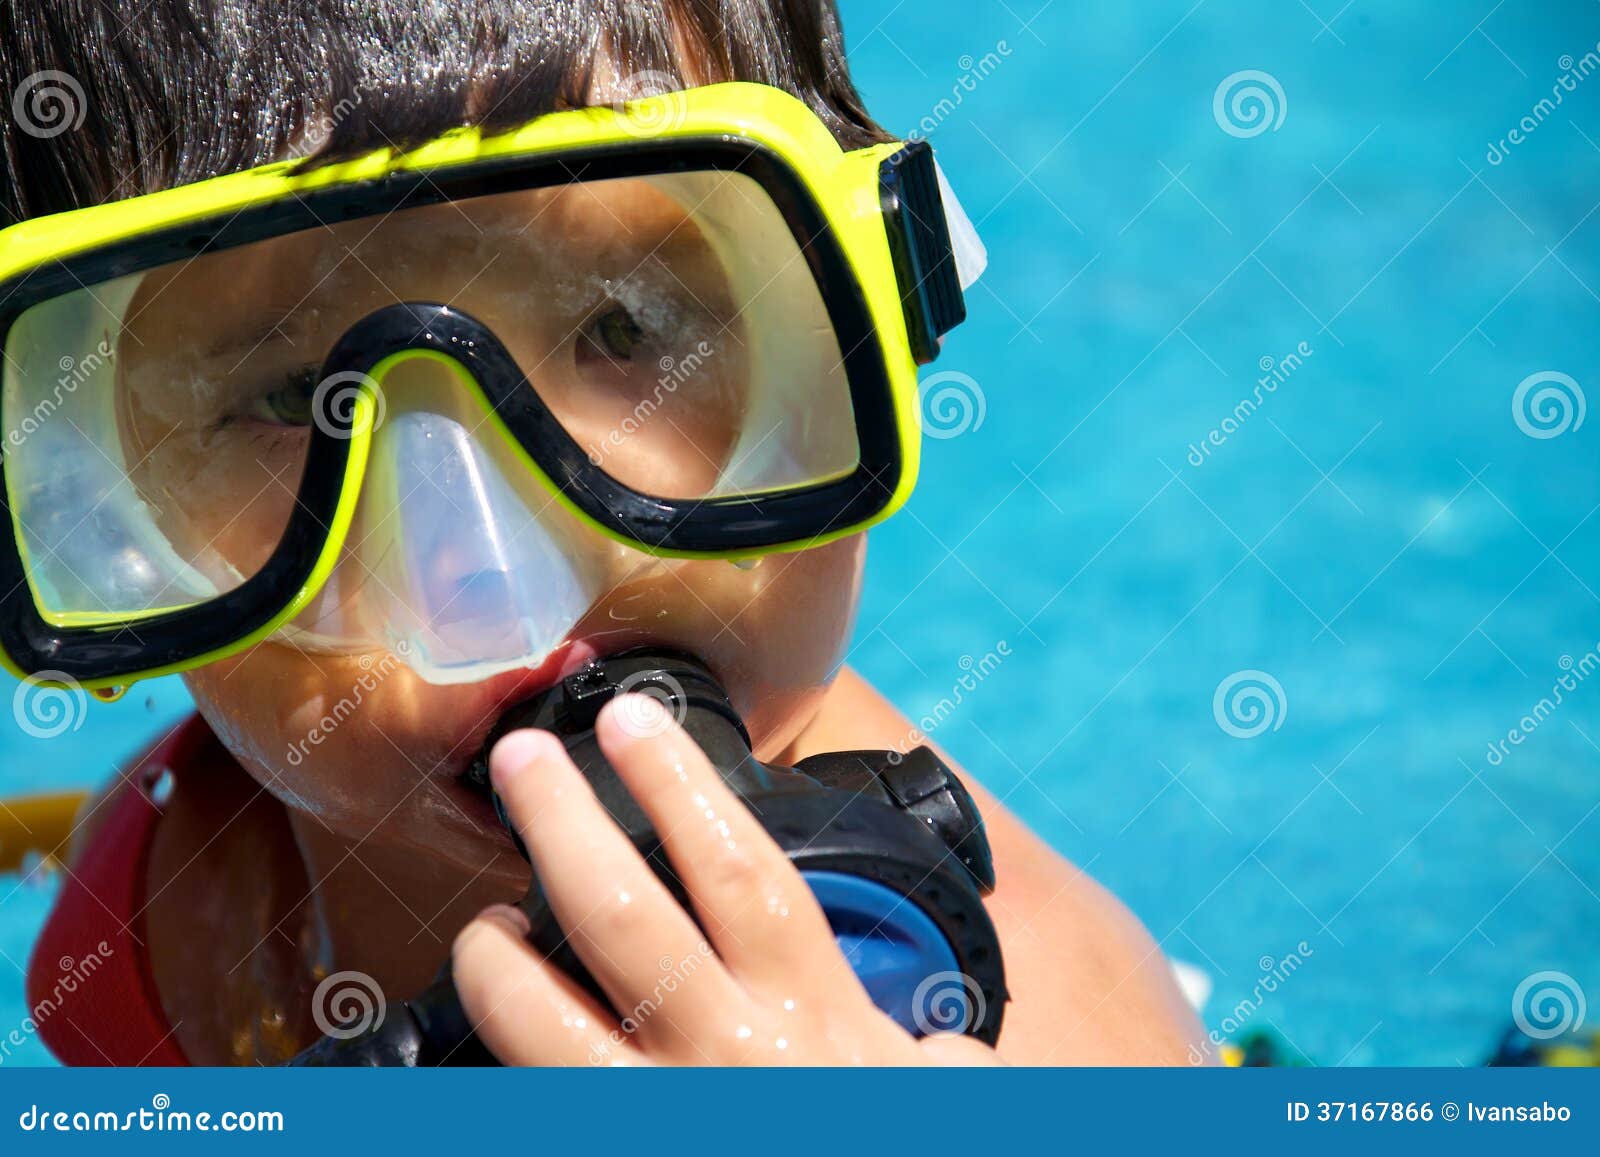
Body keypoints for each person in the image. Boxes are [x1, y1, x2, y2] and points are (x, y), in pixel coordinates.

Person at [2, 0, 1202, 1065]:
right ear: (80, 501)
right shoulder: (173, 861)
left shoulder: (1047, 1037)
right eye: (289, 397)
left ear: (861, 309)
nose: (487, 574)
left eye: (629, 326)